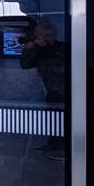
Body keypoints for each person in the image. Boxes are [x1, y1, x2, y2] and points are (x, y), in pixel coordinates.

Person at [19, 20, 65, 155]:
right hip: (53, 91)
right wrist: (29, 50)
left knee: (64, 121)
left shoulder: (63, 48)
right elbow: (25, 65)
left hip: (68, 91)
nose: (34, 37)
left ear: (48, 37)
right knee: (53, 120)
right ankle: (54, 144)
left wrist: (45, 48)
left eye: (37, 35)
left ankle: (63, 149)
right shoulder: (39, 51)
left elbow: (58, 65)